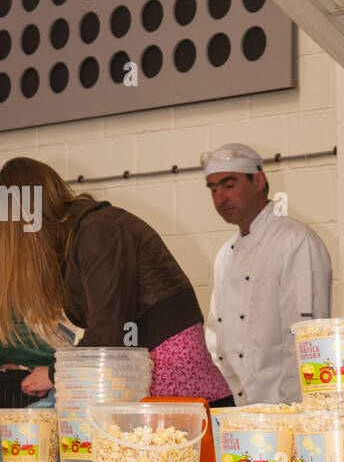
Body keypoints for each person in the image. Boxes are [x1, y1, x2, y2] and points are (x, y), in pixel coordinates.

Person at [0, 157, 231, 403]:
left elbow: (108, 331)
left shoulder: (97, 231)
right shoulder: (77, 238)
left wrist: (55, 374)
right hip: (153, 385)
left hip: (177, 390)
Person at [203, 144, 332, 405]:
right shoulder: (224, 255)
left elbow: (304, 339)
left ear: (259, 180)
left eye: (229, 185)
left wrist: (293, 414)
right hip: (234, 412)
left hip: (283, 409)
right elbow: (215, 339)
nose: (221, 198)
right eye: (214, 189)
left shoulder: (295, 241)